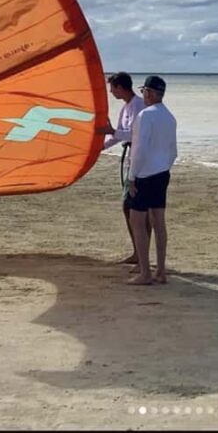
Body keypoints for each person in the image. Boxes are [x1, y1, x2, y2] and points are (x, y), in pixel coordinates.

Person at [126, 75, 177, 285]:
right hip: (162, 172)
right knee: (159, 221)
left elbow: (139, 149)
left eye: (144, 91)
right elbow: (173, 151)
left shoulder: (146, 115)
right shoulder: (170, 117)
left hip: (145, 174)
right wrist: (164, 167)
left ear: (148, 92)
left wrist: (131, 177)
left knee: (137, 221)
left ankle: (146, 272)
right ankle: (161, 270)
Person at [95, 72, 150, 265]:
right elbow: (119, 135)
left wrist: (112, 132)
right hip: (131, 160)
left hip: (141, 162)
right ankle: (138, 252)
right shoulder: (126, 108)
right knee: (129, 208)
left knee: (137, 209)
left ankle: (141, 255)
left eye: (112, 88)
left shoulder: (138, 106)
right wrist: (100, 148)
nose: (110, 92)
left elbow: (136, 135)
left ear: (120, 87)